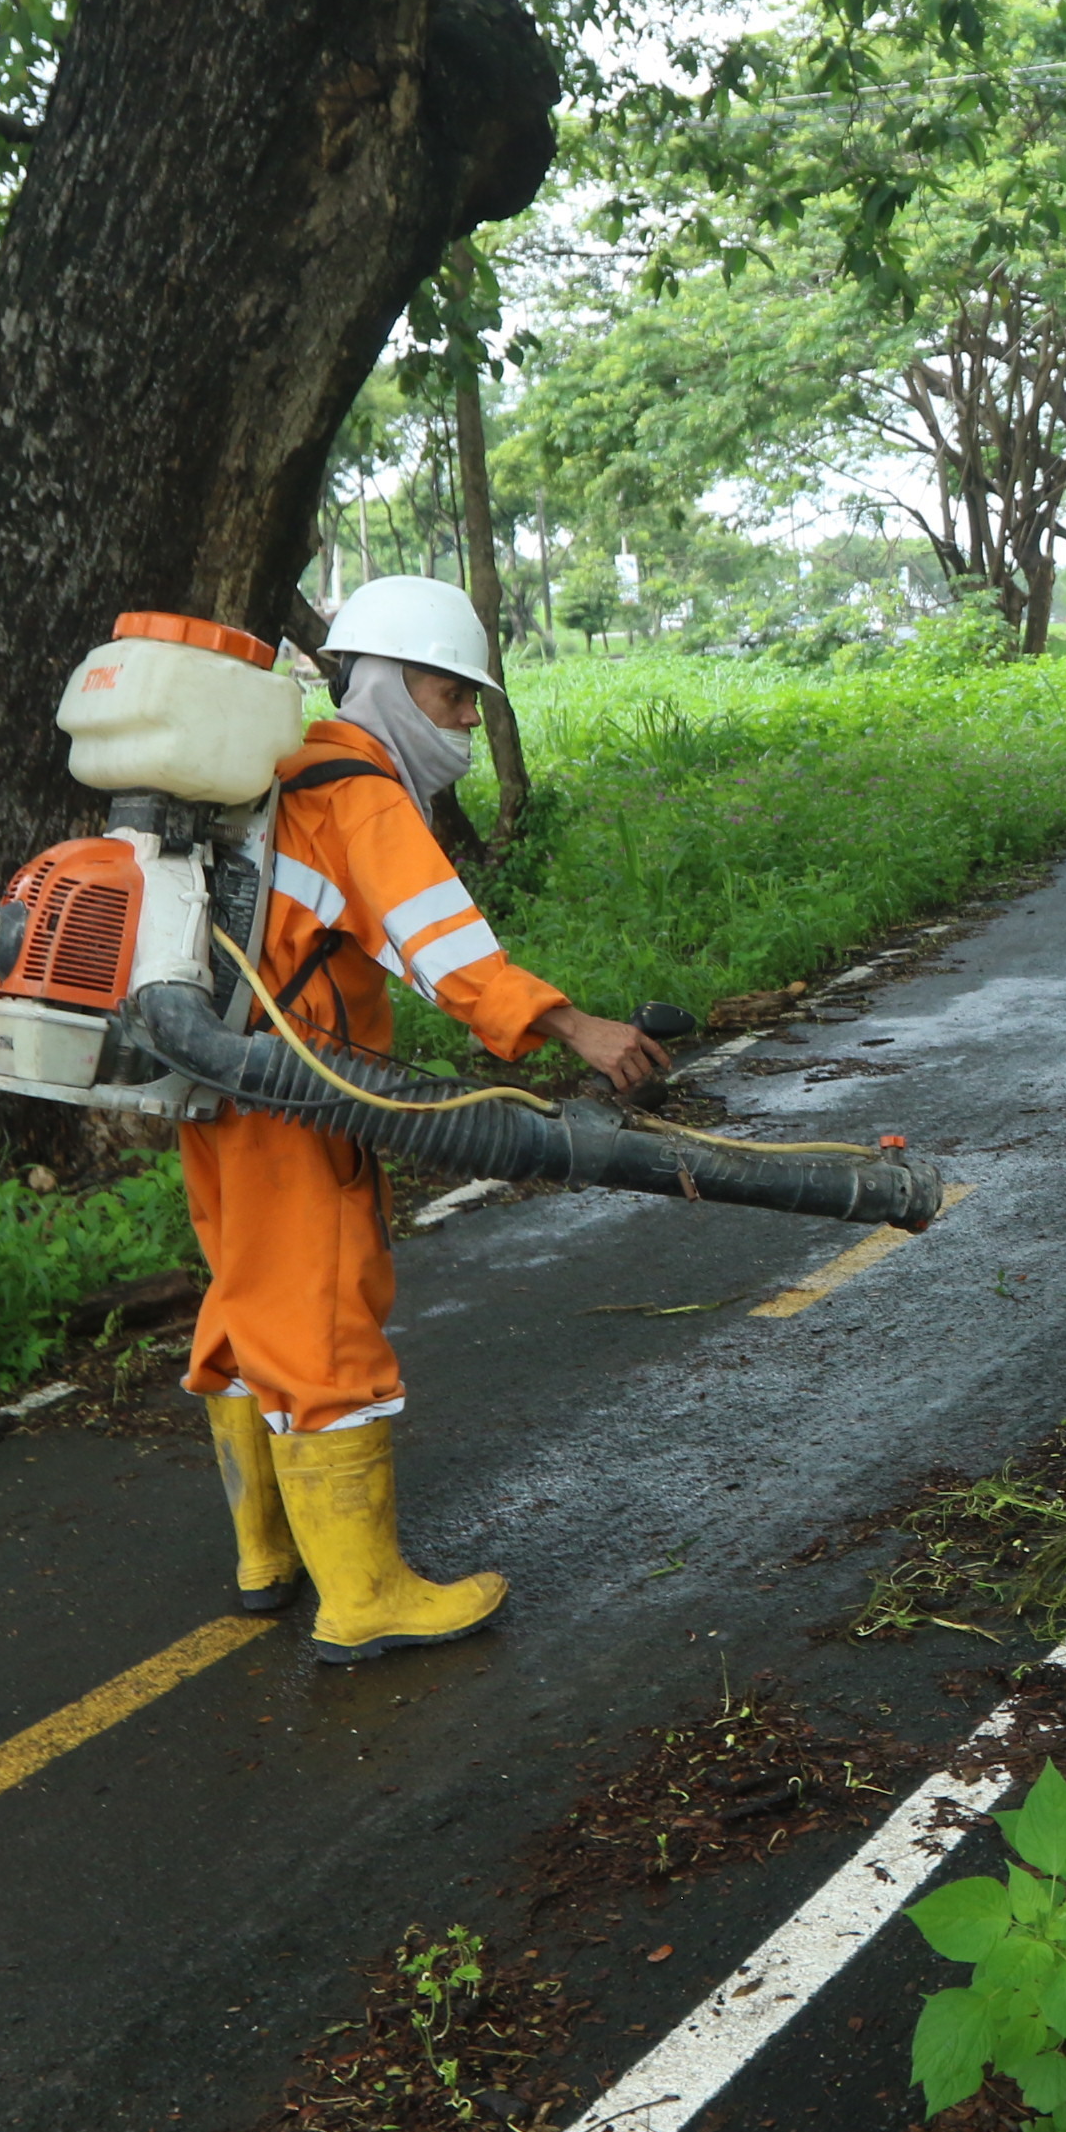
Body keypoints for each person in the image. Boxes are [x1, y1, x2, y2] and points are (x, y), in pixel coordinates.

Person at [186, 576, 669, 1661]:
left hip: (215, 1083)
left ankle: (267, 1553)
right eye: (456, 701)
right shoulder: (359, 792)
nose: (462, 725)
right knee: (320, 1305)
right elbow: (447, 954)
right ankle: (363, 1596)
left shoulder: (284, 767)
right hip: (294, 1092)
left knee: (244, 1292)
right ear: (401, 685)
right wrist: (574, 1025)